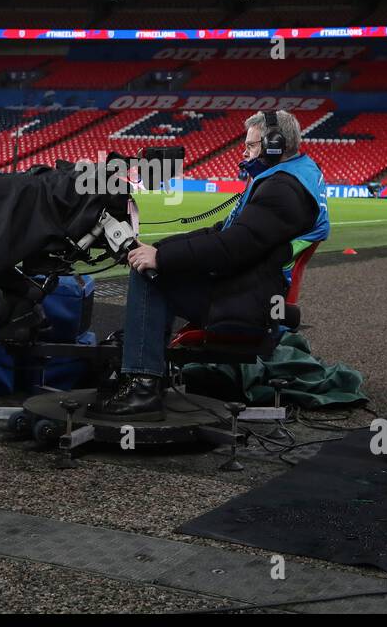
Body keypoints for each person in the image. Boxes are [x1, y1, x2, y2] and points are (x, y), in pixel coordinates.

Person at [88, 111, 330, 421]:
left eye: (252, 145)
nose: (245, 152)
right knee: (159, 264)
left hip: (249, 301)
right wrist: (161, 249)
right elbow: (223, 233)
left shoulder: (282, 190)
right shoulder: (294, 176)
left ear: (274, 145)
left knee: (150, 278)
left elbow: (232, 248)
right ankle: (145, 366)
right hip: (257, 288)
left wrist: (160, 259)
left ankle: (143, 388)